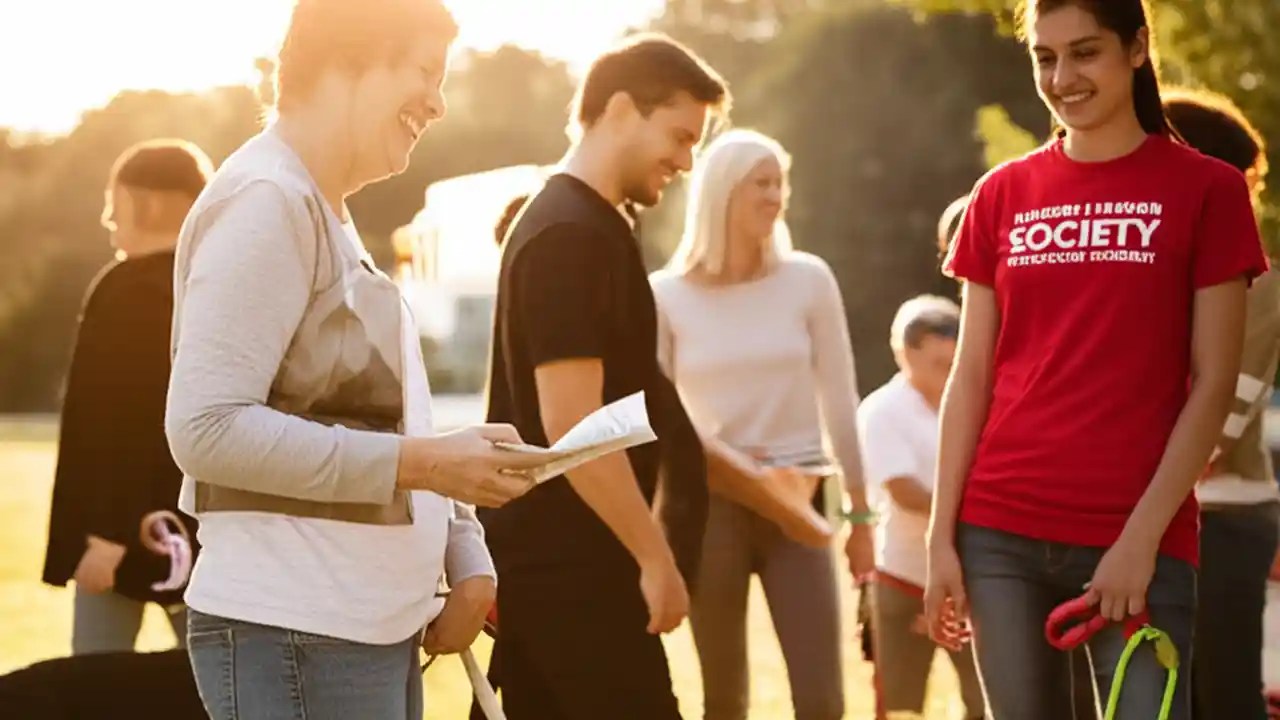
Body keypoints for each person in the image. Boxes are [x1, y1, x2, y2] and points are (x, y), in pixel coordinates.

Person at [163, 1, 546, 717]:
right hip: (296, 638)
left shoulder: (324, 209)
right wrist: (430, 463)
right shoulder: (267, 202)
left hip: (354, 635)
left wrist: (466, 554)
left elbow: (389, 426)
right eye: (425, 72)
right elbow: (206, 428)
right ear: (345, 65)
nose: (438, 102)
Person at [924, 1, 1269, 719]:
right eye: (1044, 58)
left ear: (1137, 47)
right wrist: (940, 542)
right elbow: (972, 376)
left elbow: (1211, 386)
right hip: (999, 535)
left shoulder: (1209, 190)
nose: (1062, 76)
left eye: (1085, 53)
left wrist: (1139, 544)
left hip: (1139, 540)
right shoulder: (1001, 194)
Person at [480, 33, 726, 719]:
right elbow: (572, 425)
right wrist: (656, 558)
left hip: (559, 568)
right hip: (572, 576)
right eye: (679, 136)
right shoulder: (569, 235)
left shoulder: (591, 224)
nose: (684, 160)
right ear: (620, 109)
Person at [648, 128, 872, 720]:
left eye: (781, 182)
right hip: (712, 501)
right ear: (722, 192)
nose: (776, 196)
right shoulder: (666, 296)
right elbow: (661, 421)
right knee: (725, 699)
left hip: (800, 499)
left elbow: (841, 399)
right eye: (761, 182)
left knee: (822, 700)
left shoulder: (809, 280)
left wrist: (861, 513)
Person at [42, 139, 212, 655]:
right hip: (196, 527)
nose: (108, 219)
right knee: (213, 683)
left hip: (126, 533)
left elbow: (125, 423)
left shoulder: (131, 290)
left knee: (96, 682)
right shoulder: (207, 284)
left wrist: (109, 535)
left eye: (116, 204)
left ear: (150, 203)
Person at [1160, 87, 1280, 720]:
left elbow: (1224, 420)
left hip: (1224, 517)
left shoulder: (1258, 281)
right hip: (1160, 513)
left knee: (1222, 696)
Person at [857, 295, 985, 719]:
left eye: (954, 360)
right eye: (938, 362)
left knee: (985, 698)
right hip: (903, 577)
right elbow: (903, 491)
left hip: (973, 577)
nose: (949, 372)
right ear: (904, 354)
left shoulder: (981, 404)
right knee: (900, 705)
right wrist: (978, 510)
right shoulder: (881, 411)